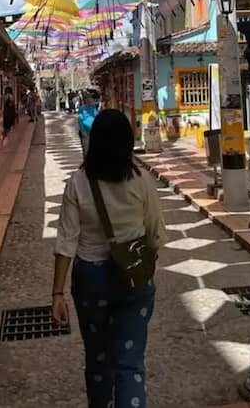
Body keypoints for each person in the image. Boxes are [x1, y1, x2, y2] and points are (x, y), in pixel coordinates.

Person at [53, 110, 166, 408]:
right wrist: (143, 264)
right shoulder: (141, 180)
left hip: (91, 281)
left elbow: (66, 242)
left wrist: (57, 293)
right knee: (130, 363)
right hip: (134, 279)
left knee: (98, 358)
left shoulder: (78, 182)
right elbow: (156, 234)